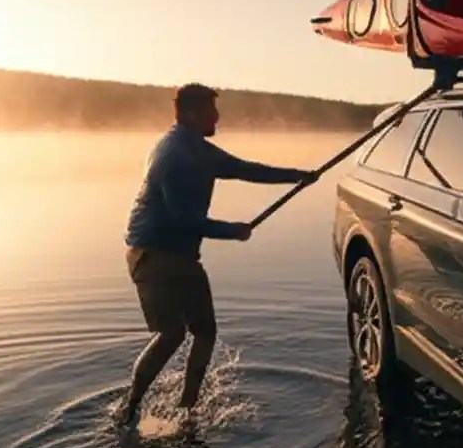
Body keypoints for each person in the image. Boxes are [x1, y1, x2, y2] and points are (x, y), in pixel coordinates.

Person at [116, 83, 314, 426]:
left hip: (179, 256)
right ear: (192, 114)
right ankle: (130, 407)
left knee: (204, 330)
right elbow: (182, 219)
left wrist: (298, 177)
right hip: (153, 255)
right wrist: (231, 230)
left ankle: (187, 409)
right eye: (212, 111)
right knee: (172, 334)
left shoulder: (196, 149)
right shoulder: (175, 155)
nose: (217, 118)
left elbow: (246, 169)